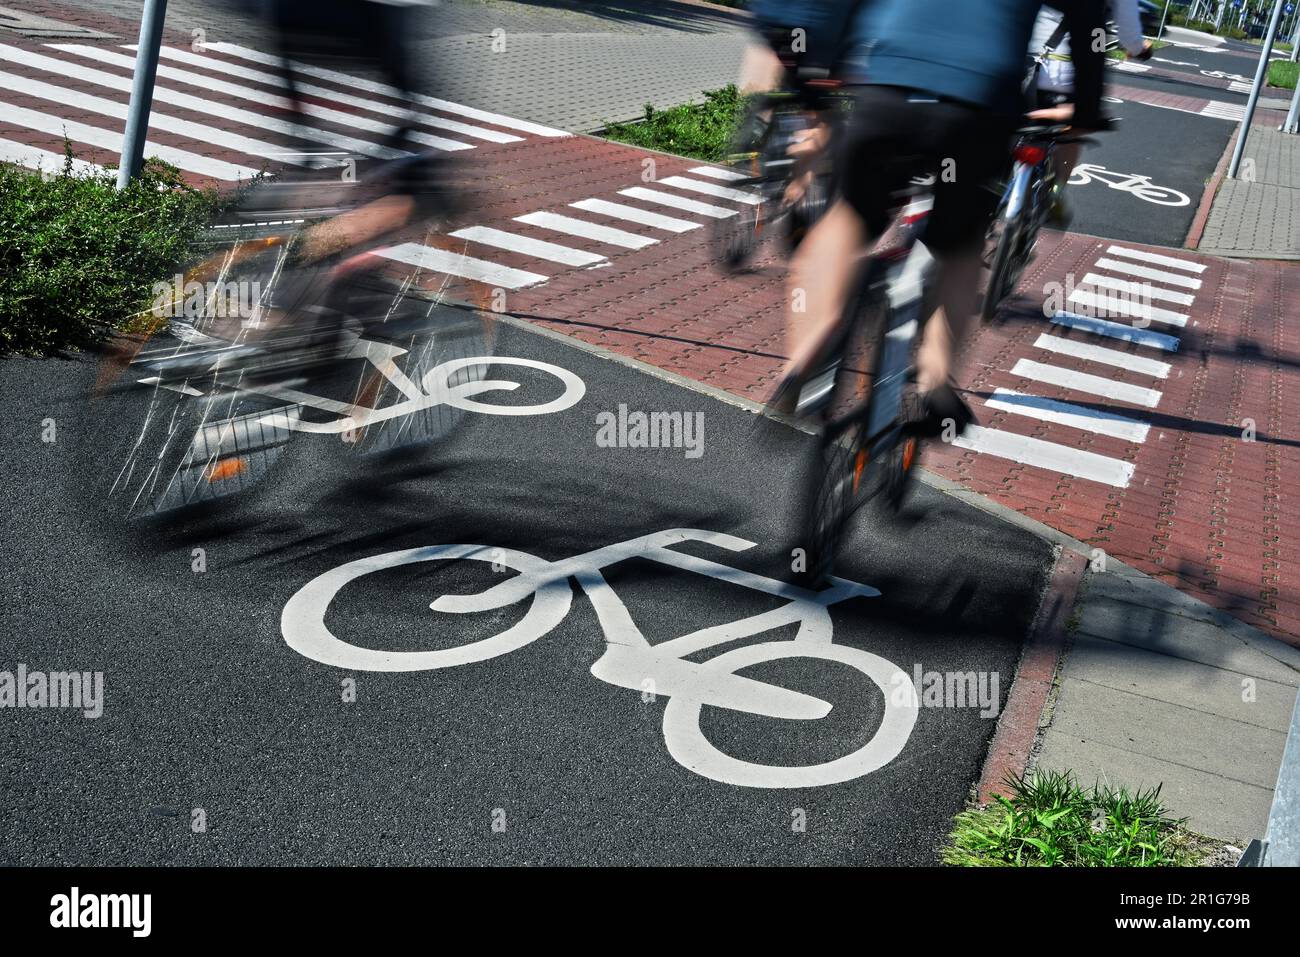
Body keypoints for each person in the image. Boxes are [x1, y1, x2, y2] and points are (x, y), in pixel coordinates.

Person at [777, 0, 1109, 436]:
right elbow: (1089, 27)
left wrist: (819, 76)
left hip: (887, 89)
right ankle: (934, 385)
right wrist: (1083, 116)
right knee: (958, 246)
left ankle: (807, 352)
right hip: (978, 107)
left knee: (848, 219)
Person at [1027, 0, 1153, 225]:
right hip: (1069, 75)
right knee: (1071, 132)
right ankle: (1055, 193)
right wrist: (1140, 48)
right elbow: (1128, 32)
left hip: (1028, 64)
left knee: (1015, 125)